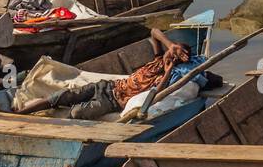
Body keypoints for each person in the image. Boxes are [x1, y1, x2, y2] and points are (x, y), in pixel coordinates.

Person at [22, 29, 213, 120]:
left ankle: (52, 123)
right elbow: (153, 31)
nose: (169, 54)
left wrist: (171, 68)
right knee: (60, 96)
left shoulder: (168, 76)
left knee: (78, 112)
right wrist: (170, 44)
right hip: (106, 86)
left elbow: (158, 91)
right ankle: (20, 114)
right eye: (171, 51)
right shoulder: (157, 59)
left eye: (173, 55)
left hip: (112, 102)